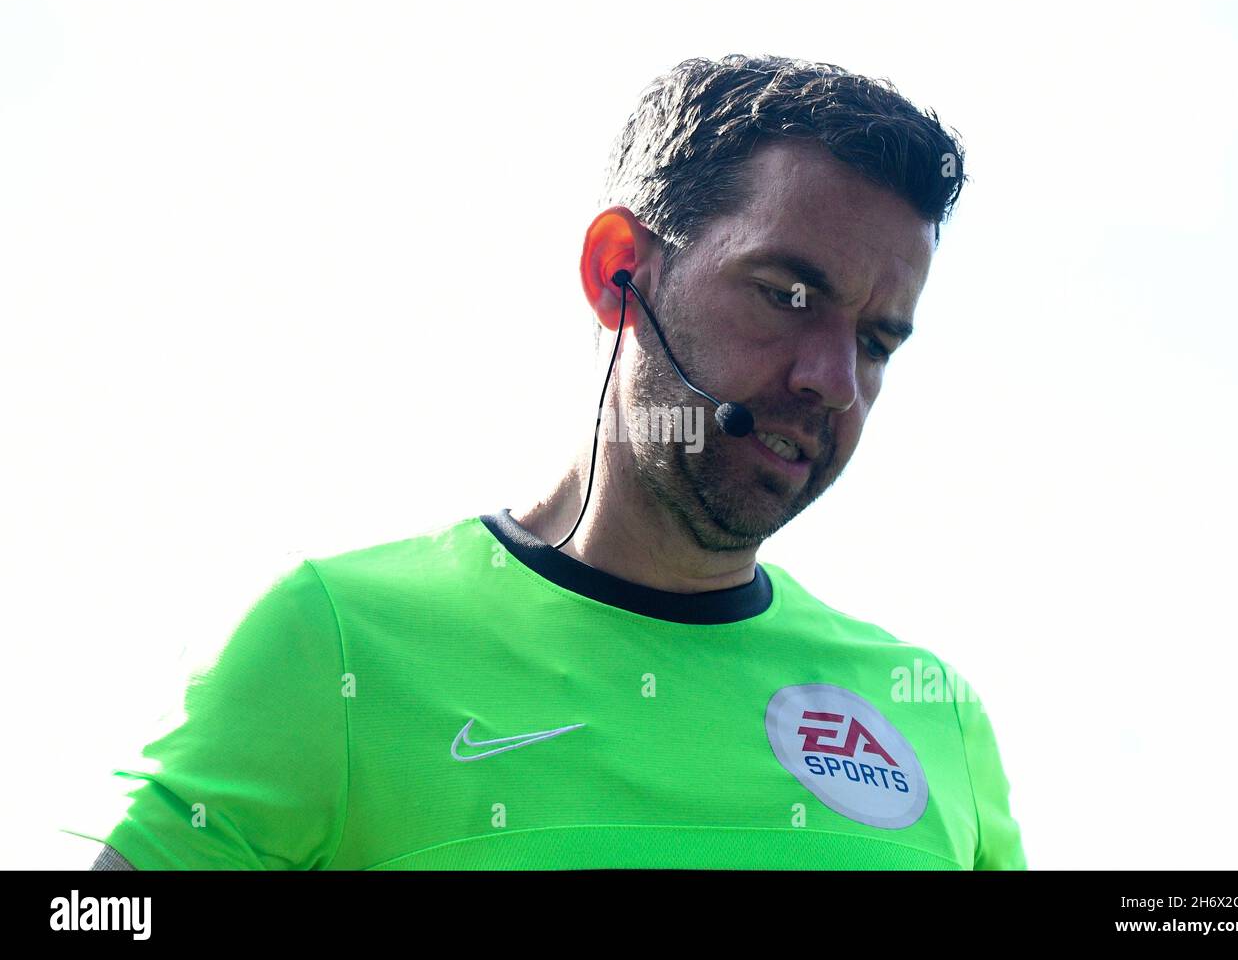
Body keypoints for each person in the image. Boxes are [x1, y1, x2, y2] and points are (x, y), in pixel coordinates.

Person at [68, 53, 1026, 870]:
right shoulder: (334, 644)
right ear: (619, 271)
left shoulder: (932, 714)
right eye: (787, 294)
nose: (833, 381)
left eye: (877, 342)